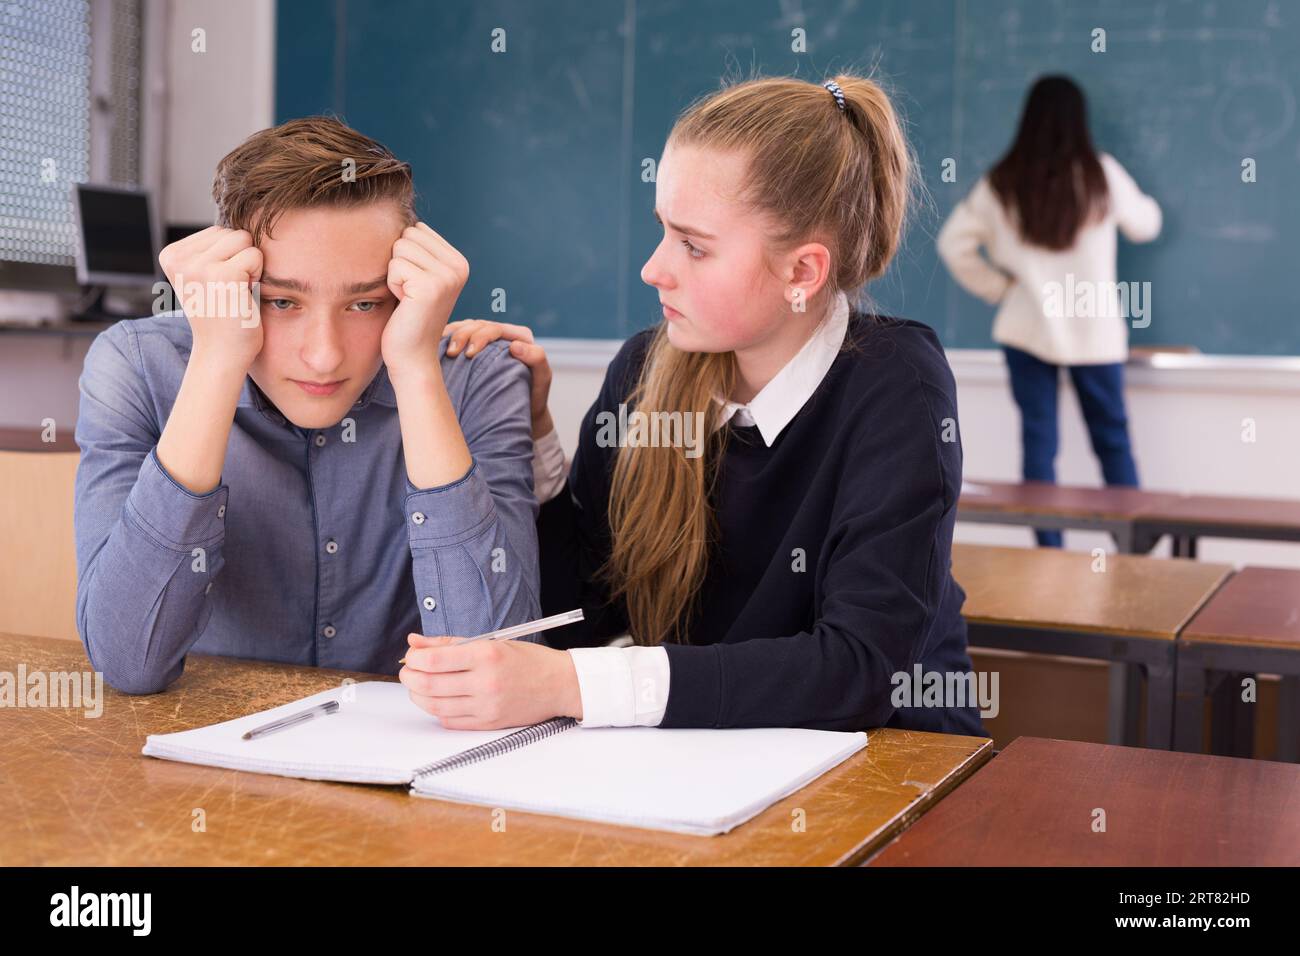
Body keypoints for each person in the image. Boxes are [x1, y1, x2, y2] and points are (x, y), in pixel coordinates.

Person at [414, 74, 988, 737]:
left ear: (803, 272)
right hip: (710, 769)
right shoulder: (643, 371)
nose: (653, 269)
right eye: (663, 230)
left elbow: (856, 672)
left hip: (894, 771)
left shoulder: (896, 387)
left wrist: (569, 685)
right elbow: (581, 617)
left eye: (694, 245)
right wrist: (533, 435)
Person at [74, 116, 544, 697]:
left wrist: (418, 371)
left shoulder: (477, 375)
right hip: (206, 768)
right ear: (235, 282)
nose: (323, 358)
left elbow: (501, 663)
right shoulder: (138, 368)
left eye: (365, 304)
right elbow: (128, 662)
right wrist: (217, 362)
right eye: (281, 301)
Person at [937, 75, 1162, 548]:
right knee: (1113, 442)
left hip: (1027, 328)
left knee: (1039, 445)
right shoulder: (1100, 174)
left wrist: (1002, 289)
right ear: (1080, 120)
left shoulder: (1002, 181)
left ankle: (1050, 554)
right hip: (1095, 332)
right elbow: (1146, 225)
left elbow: (952, 244)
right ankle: (1134, 551)